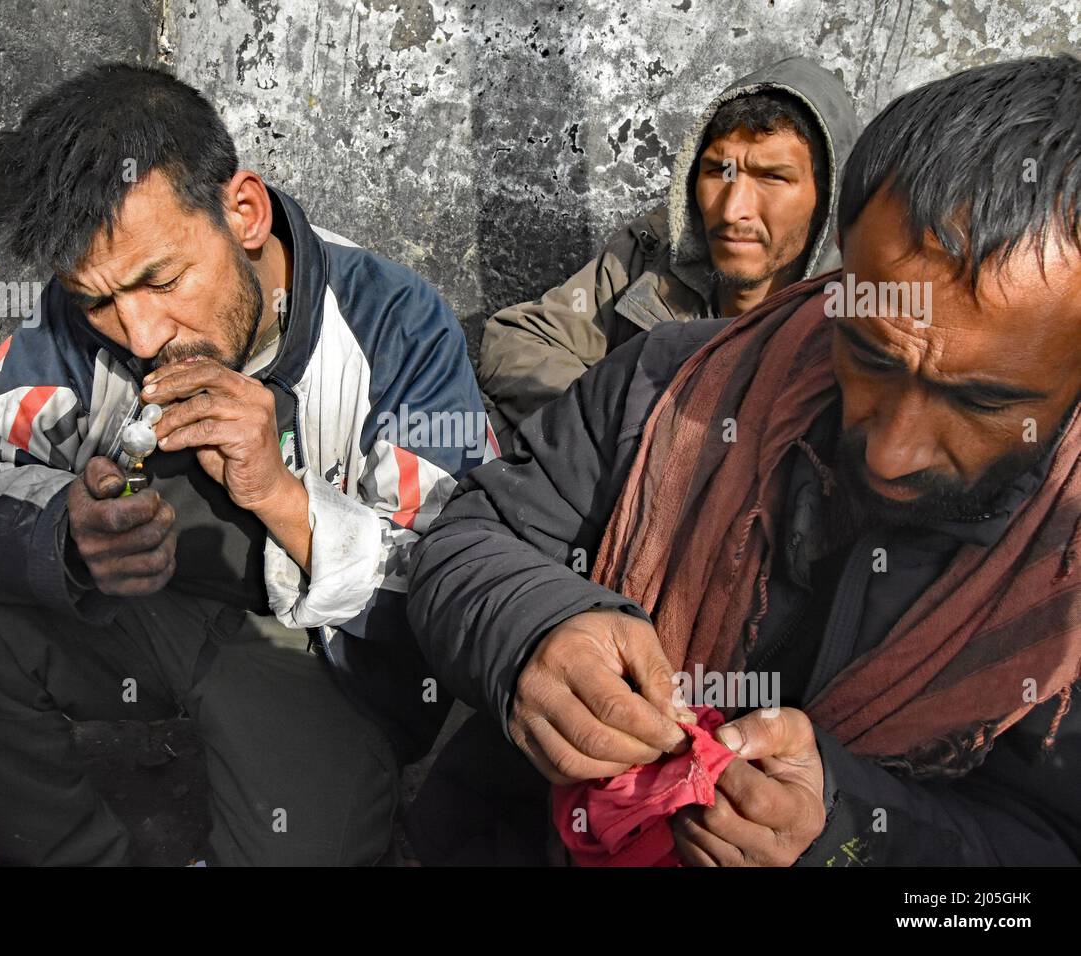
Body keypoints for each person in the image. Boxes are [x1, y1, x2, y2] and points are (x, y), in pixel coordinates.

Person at [407, 55, 1081, 866]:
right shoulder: (670, 382)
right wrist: (531, 631)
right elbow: (471, 537)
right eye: (869, 355)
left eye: (982, 403)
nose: (895, 450)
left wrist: (847, 833)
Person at [0, 64, 494, 866]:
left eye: (164, 280)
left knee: (305, 847)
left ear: (243, 212)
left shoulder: (398, 325)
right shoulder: (77, 319)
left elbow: (453, 582)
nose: (142, 335)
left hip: (314, 653)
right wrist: (66, 530)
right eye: (101, 301)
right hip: (149, 615)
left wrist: (283, 497)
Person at [478, 56, 861, 452]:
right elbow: (518, 343)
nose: (732, 211)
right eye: (718, 172)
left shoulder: (853, 314)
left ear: (828, 199)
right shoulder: (656, 250)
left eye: (772, 178)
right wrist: (624, 431)